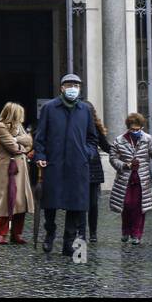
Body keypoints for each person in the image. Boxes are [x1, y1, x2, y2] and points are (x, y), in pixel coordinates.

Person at [33, 74, 98, 256]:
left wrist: (88, 153)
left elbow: (93, 138)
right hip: (54, 163)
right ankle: (50, 233)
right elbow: (40, 137)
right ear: (61, 88)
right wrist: (40, 154)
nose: (73, 88)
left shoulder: (85, 110)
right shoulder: (49, 108)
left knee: (75, 204)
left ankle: (69, 241)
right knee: (50, 202)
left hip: (77, 165)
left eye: (76, 85)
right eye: (69, 85)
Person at [108, 112, 152, 244]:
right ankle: (125, 231)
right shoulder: (119, 140)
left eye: (137, 129)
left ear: (141, 127)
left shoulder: (147, 139)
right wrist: (124, 165)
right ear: (128, 128)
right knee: (126, 205)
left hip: (142, 179)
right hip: (125, 179)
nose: (135, 131)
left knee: (139, 207)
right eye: (132, 129)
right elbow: (113, 158)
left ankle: (136, 233)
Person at [0, 102, 34, 244]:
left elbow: (30, 142)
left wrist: (18, 140)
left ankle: (16, 233)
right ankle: (0, 233)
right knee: (6, 199)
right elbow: (14, 148)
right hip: (8, 168)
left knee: (21, 200)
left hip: (21, 169)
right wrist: (20, 142)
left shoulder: (18, 126)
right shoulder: (0, 126)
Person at [86, 106, 114, 242]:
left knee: (93, 203)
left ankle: (93, 233)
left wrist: (120, 152)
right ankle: (80, 230)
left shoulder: (95, 128)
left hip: (93, 168)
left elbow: (105, 146)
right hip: (79, 167)